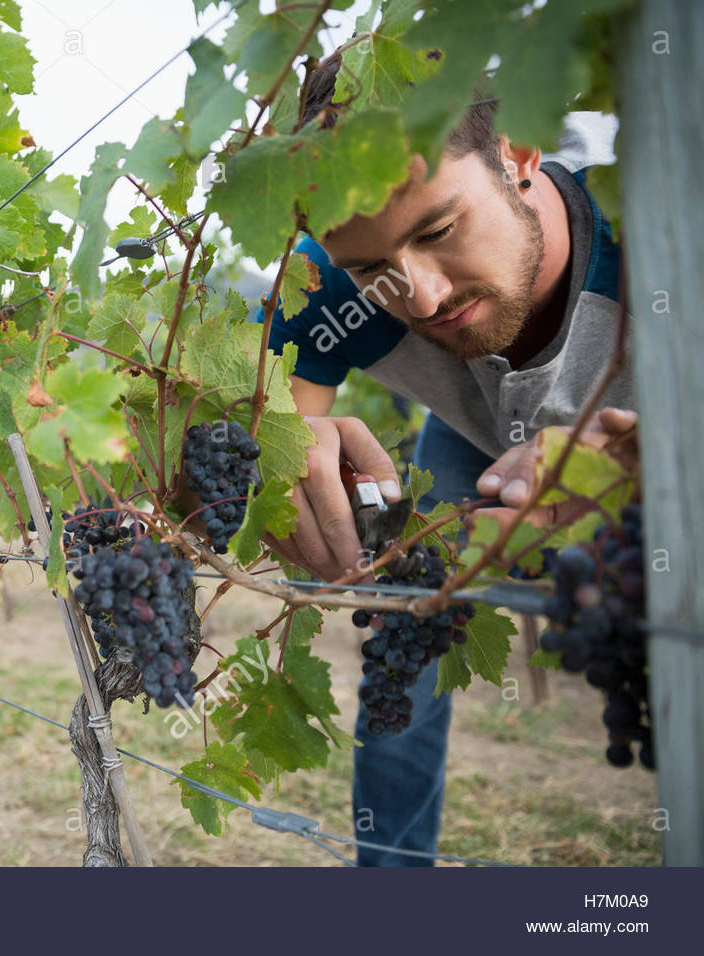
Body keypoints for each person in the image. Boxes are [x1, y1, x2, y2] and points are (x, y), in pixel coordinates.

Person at [257, 55, 639, 865]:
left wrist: (664, 458)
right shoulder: (333, 285)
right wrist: (284, 447)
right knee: (407, 650)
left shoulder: (659, 240)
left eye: (437, 231)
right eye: (373, 271)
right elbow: (258, 419)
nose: (421, 295)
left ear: (522, 153)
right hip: (471, 447)